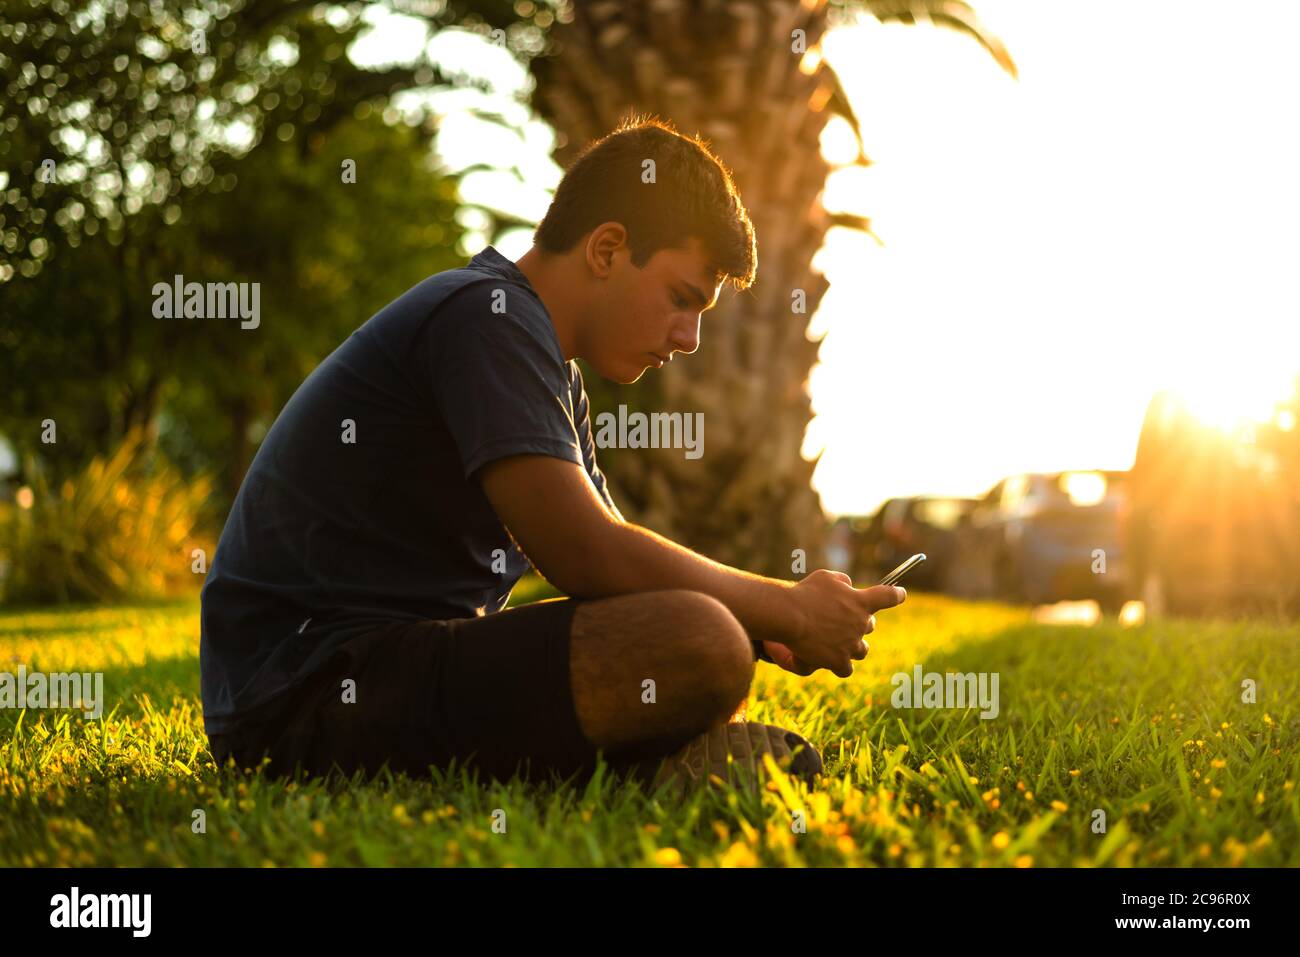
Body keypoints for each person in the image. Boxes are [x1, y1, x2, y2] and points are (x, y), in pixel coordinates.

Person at [201, 115, 906, 792]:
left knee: (705, 632)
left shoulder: (551, 371)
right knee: (699, 639)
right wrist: (785, 607)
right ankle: (653, 766)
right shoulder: (486, 317)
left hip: (389, 665)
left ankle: (651, 763)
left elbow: (622, 576)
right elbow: (586, 552)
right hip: (301, 689)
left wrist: (765, 627)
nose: (688, 337)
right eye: (681, 298)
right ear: (606, 249)